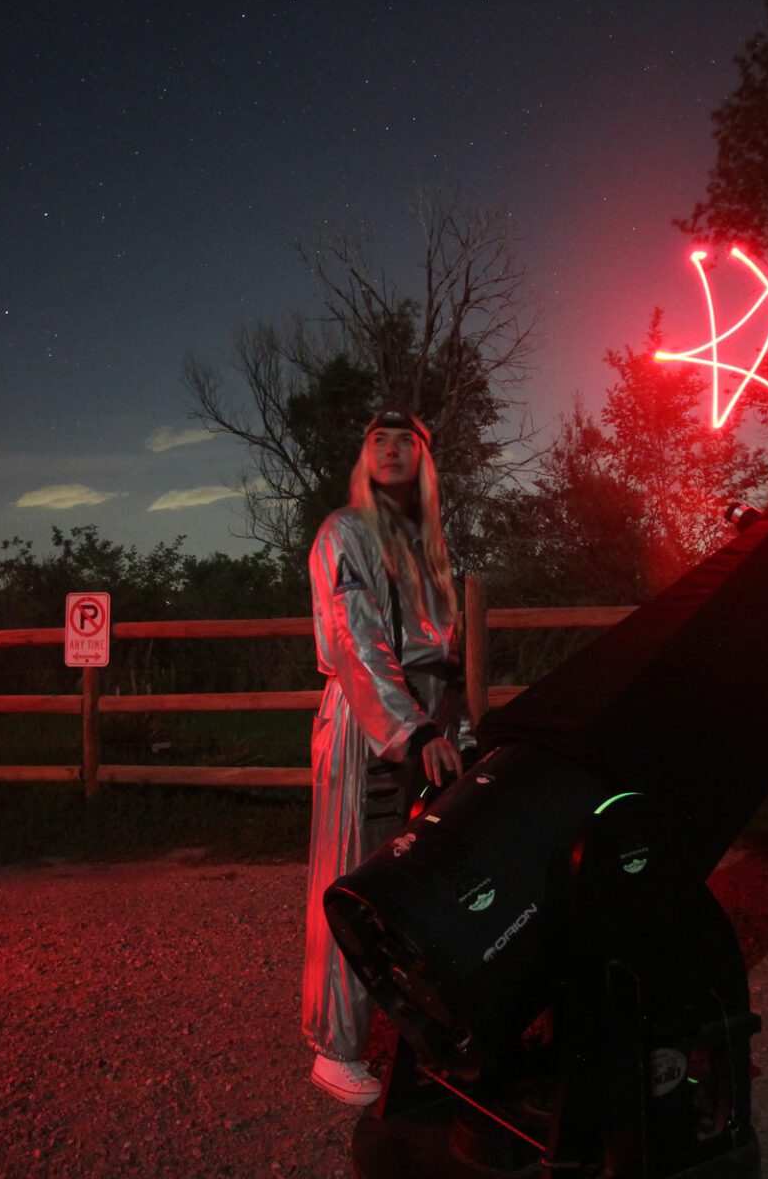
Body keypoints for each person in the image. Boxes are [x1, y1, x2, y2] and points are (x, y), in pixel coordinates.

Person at [302, 408, 471, 1106]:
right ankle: (335, 1047)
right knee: (353, 877)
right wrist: (411, 732)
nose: (392, 450)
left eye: (406, 441)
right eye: (379, 440)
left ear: (423, 459)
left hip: (426, 721)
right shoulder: (347, 532)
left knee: (421, 878)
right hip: (367, 722)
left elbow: (447, 655)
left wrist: (453, 733)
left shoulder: (427, 544)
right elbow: (355, 640)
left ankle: (422, 1032)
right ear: (364, 455)